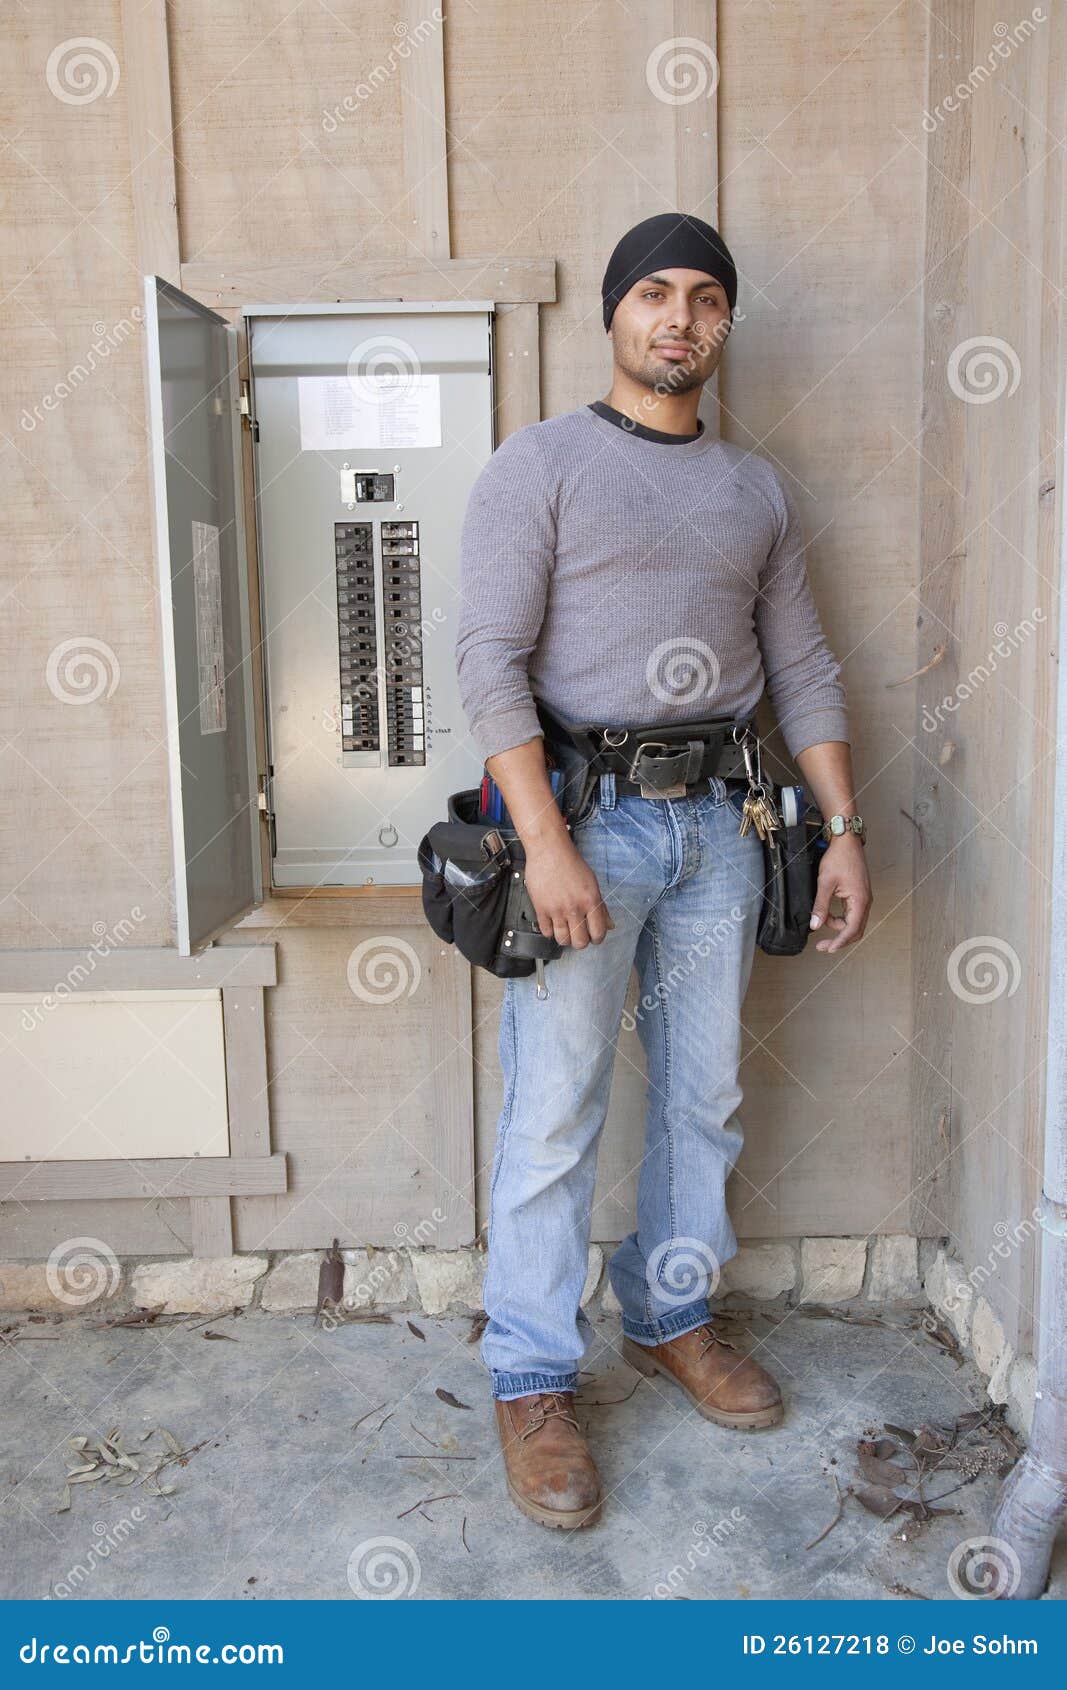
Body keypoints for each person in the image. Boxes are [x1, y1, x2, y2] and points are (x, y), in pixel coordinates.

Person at [454, 212, 873, 1529]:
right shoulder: (543, 464)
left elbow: (802, 665)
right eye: (654, 292)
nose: (678, 316)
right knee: (557, 1106)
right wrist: (548, 838)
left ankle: (671, 1314)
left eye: (703, 296)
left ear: (724, 322)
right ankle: (530, 1372)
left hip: (725, 834)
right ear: (616, 316)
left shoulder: (757, 490)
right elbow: (488, 662)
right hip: (589, 818)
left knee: (704, 1098)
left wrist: (842, 824)